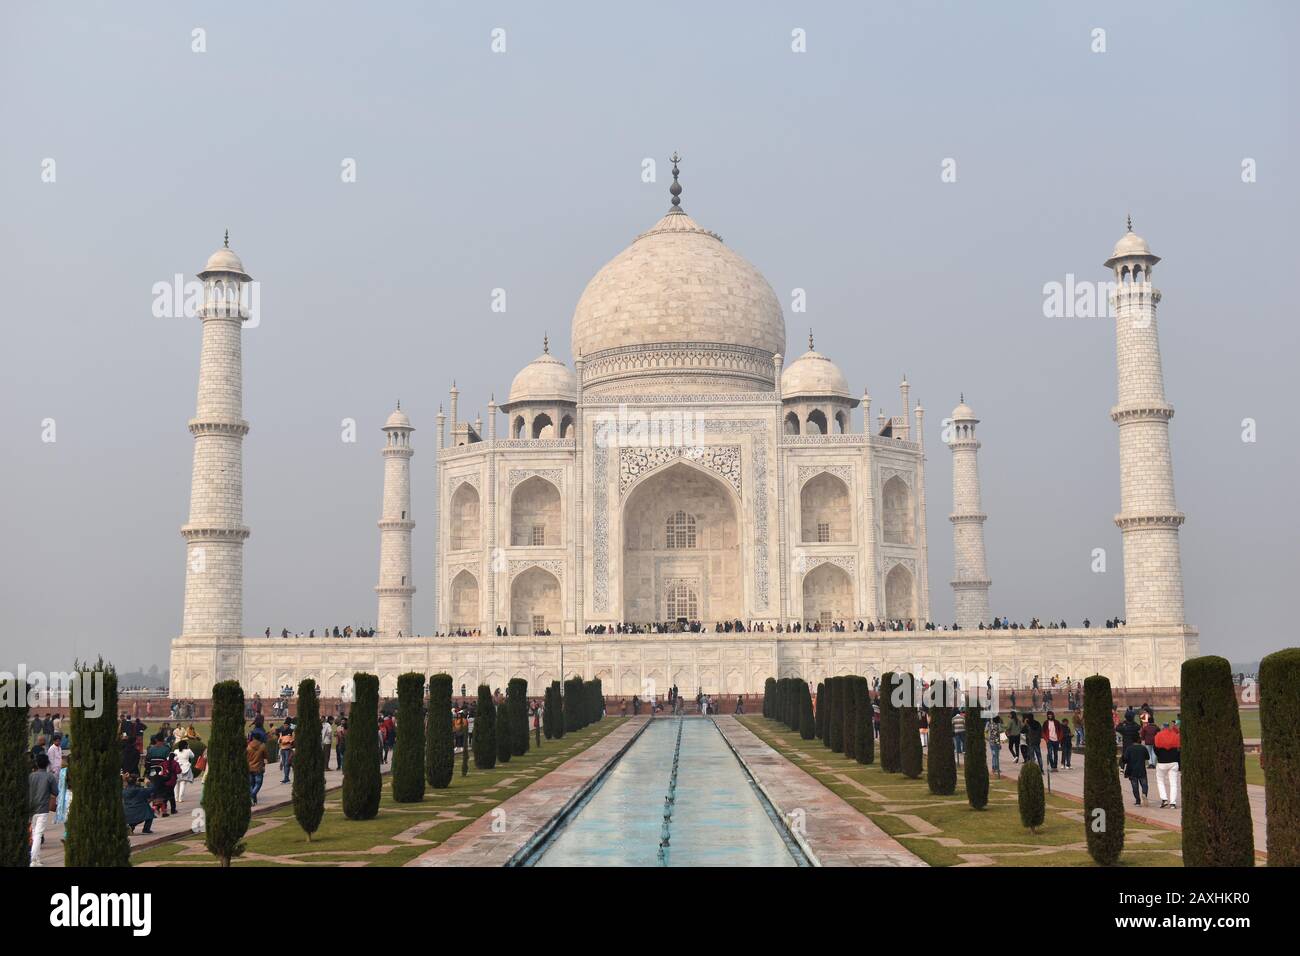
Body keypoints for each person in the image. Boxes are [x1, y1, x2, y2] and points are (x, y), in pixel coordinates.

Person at [28, 753, 58, 866]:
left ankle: (36, 858)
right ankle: (33, 859)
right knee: (38, 834)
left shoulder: (31, 776)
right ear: (47, 764)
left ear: (36, 764)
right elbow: (56, 792)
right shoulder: (50, 777)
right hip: (43, 808)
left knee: (34, 833)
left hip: (31, 808)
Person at [1153, 722, 1181, 809]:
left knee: (1160, 781)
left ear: (1162, 727)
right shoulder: (1175, 736)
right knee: (1173, 783)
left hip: (1162, 762)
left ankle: (1164, 799)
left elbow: (1155, 749)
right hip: (1173, 762)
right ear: (1168, 727)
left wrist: (1159, 756)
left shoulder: (1158, 736)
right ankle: (1173, 803)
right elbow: (1178, 749)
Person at [1120, 737, 1150, 806]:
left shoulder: (1129, 749)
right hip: (1142, 769)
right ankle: (1144, 794)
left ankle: (1137, 801)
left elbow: (1125, 759)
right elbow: (1148, 757)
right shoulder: (1143, 748)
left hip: (1132, 770)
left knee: (1135, 786)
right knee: (1144, 785)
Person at [247, 733, 268, 805]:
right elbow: (265, 757)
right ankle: (252, 796)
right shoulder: (262, 746)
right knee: (258, 783)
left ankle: (253, 800)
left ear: (253, 738)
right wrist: (264, 765)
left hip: (249, 767)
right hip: (258, 768)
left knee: (251, 784)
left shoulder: (248, 746)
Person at [173, 740, 196, 805]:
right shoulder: (188, 751)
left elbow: (174, 758)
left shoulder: (176, 751)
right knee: (183, 783)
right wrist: (189, 748)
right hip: (186, 768)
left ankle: (175, 798)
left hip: (176, 768)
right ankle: (180, 798)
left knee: (176, 784)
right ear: (186, 745)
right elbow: (193, 756)